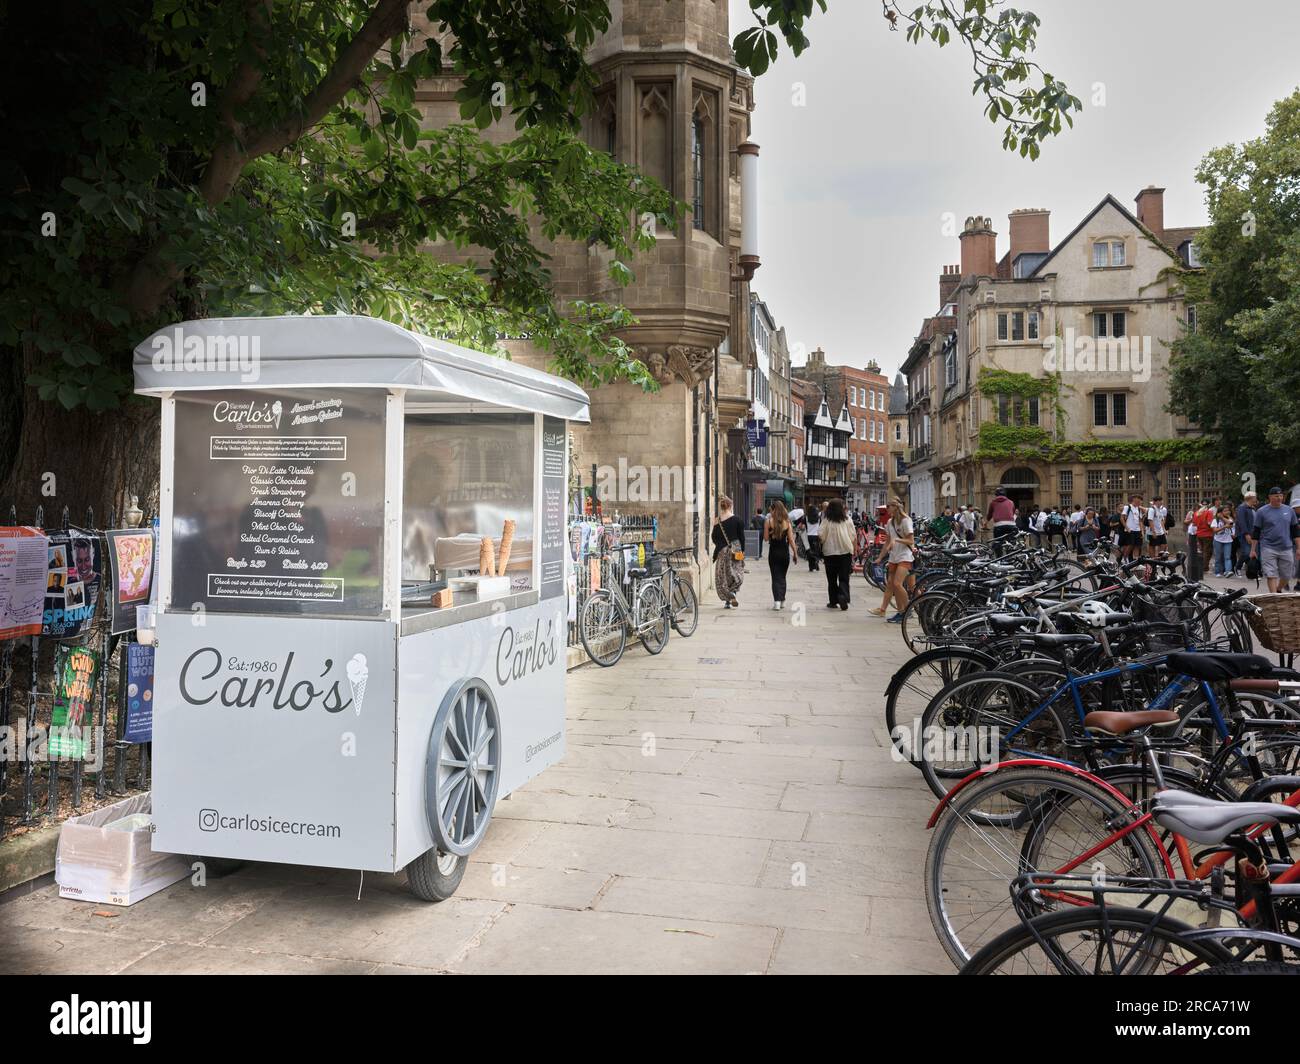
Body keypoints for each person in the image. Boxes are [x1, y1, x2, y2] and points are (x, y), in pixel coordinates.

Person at [1246, 486, 1300, 593]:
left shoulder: (1289, 510)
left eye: (1281, 496)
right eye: (1276, 496)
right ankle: (1274, 597)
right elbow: (1256, 531)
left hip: (1286, 547)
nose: (1279, 498)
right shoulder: (1261, 511)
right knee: (1271, 574)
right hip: (1268, 547)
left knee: (1287, 575)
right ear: (1270, 497)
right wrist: (1253, 550)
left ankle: (1278, 589)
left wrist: (1298, 548)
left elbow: (1295, 531)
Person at [870, 498, 915, 622]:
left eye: (889, 506)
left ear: (895, 507)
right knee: (892, 585)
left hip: (905, 556)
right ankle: (900, 612)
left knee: (897, 584)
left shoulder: (906, 521)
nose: (887, 508)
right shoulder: (890, 522)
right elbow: (887, 542)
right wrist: (880, 557)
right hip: (893, 557)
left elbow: (911, 541)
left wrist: (897, 540)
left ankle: (907, 610)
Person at [818, 499, 856, 611]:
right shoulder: (848, 519)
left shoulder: (826, 520)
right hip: (845, 552)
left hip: (829, 553)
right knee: (844, 577)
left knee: (832, 578)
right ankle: (843, 595)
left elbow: (821, 535)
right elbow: (853, 535)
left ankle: (833, 601)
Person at [711, 495, 746, 609]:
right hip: (736, 550)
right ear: (731, 506)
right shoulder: (738, 520)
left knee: (723, 576)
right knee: (737, 573)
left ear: (721, 507)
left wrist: (721, 545)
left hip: (722, 551)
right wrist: (743, 551)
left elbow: (714, 538)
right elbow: (742, 538)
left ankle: (727, 600)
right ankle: (733, 593)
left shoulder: (717, 521)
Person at [764, 500, 798, 611]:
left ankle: (777, 601)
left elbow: (765, 539)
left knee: (775, 577)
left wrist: (771, 533)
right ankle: (782, 600)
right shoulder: (787, 522)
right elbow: (791, 540)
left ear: (773, 510)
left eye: (771, 509)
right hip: (784, 553)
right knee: (782, 577)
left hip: (773, 553)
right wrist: (795, 554)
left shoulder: (768, 522)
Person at [987, 488, 1017, 554]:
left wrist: (986, 523)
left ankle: (999, 559)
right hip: (1011, 525)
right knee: (1011, 542)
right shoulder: (1011, 502)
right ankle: (1010, 557)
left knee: (998, 543)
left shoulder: (993, 503)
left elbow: (989, 515)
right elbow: (1013, 512)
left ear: (996, 495)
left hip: (999, 525)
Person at [1235, 492, 1257, 575]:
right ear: (1250, 498)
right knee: (1246, 552)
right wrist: (1246, 534)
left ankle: (1252, 571)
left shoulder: (1252, 508)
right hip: (1245, 534)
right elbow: (1242, 522)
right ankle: (1238, 567)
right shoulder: (1242, 508)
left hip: (1253, 534)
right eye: (1255, 497)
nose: (1256, 499)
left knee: (1253, 553)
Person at [1191, 498, 1216, 572]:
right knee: (1207, 551)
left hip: (1199, 534)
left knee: (1202, 551)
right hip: (1207, 534)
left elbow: (1194, 524)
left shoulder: (1196, 513)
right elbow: (1209, 523)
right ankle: (1204, 567)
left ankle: (1201, 566)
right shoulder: (1209, 512)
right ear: (1209, 505)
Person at [1211, 505, 1236, 577]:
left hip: (1228, 540)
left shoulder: (1230, 519)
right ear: (1220, 512)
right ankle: (1217, 571)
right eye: (1225, 511)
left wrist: (1222, 517)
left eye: (1228, 510)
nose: (1227, 512)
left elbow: (1230, 524)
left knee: (1227, 557)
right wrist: (1224, 526)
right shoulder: (1215, 520)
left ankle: (1228, 571)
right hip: (1218, 540)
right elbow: (1214, 530)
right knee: (1218, 556)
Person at [1119, 493, 1145, 561]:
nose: (1140, 502)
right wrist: (1127, 528)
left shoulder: (1138, 509)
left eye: (1140, 501)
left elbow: (1140, 521)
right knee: (1130, 545)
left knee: (1137, 546)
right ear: (1134, 500)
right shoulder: (1127, 507)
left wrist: (1142, 531)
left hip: (1138, 530)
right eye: (1138, 501)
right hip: (1130, 530)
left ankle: (1135, 559)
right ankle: (1124, 559)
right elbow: (1122, 518)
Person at [805, 504, 823, 572]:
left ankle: (811, 566)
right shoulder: (818, 518)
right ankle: (816, 562)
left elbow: (803, 526)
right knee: (816, 550)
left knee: (809, 551)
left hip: (809, 536)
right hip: (816, 536)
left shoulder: (806, 517)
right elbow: (821, 526)